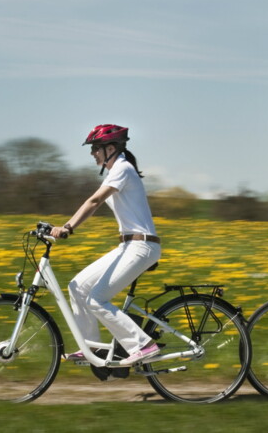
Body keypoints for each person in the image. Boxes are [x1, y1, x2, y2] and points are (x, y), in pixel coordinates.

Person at [50, 124, 162, 366]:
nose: (93, 154)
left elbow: (94, 201)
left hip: (142, 246)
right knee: (77, 286)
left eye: (96, 149)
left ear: (111, 148)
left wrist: (67, 227)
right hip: (128, 246)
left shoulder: (122, 168)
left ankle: (143, 344)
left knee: (97, 299)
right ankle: (93, 350)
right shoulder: (116, 171)